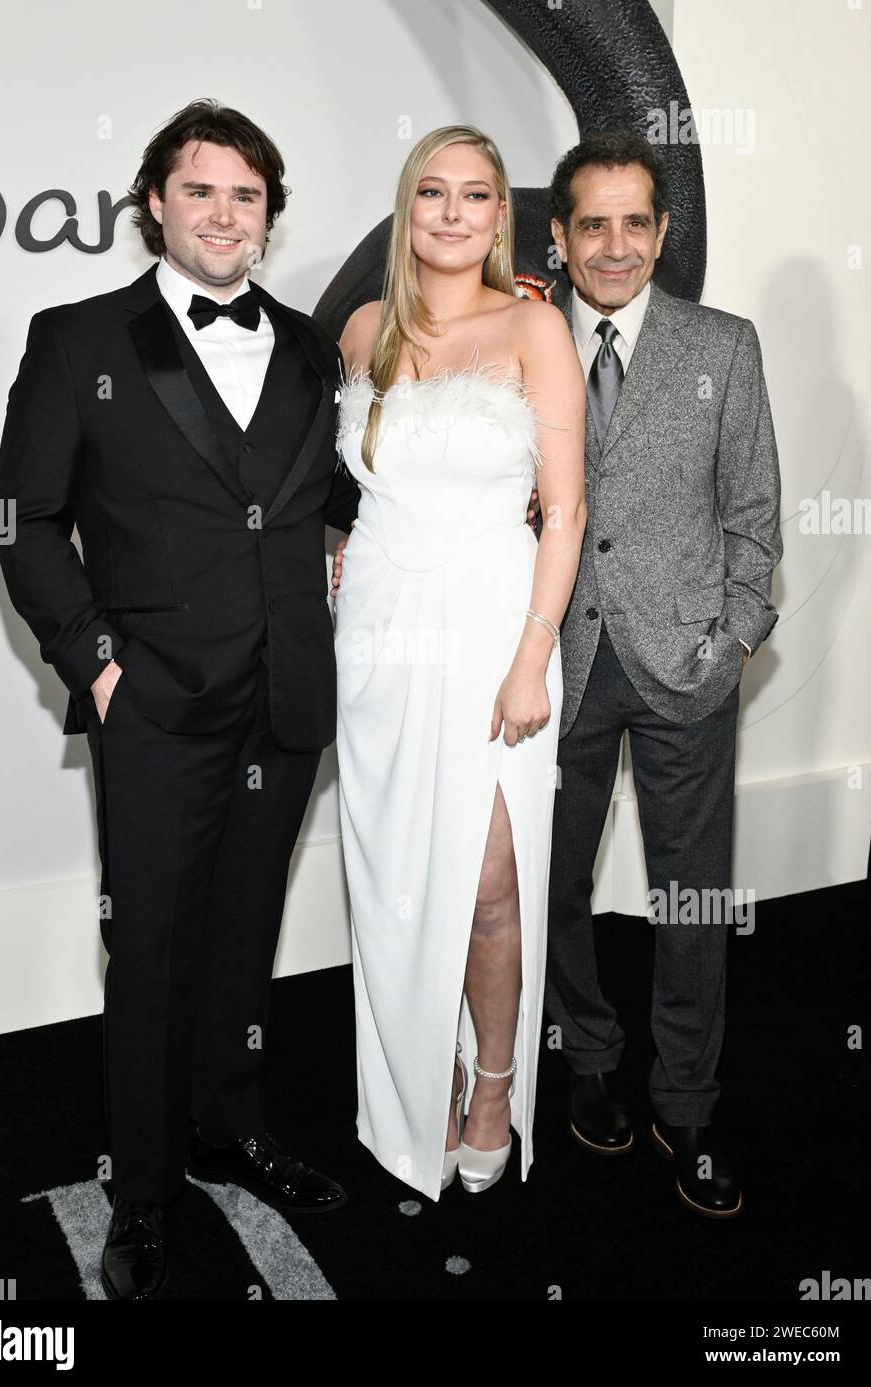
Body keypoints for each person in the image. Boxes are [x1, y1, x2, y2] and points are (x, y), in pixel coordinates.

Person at [0, 99, 360, 1300]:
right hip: (152, 703)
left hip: (286, 696)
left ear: (269, 215)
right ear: (155, 201)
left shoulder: (309, 346)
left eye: (245, 195)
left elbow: (319, 499)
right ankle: (142, 1190)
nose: (222, 213)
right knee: (148, 952)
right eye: (199, 190)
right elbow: (28, 523)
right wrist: (97, 661)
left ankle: (228, 1126)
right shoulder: (77, 337)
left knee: (244, 932)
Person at [332, 125, 586, 1202]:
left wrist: (531, 659)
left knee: (488, 882)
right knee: (395, 880)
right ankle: (410, 1073)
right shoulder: (359, 331)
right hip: (381, 631)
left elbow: (567, 509)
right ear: (407, 207)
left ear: (499, 219)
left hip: (495, 629)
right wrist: (332, 549)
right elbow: (339, 483)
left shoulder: (534, 326)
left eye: (473, 195)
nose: (449, 211)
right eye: (430, 191)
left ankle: (491, 1082)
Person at [544, 130, 783, 1217]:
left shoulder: (722, 346)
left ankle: (685, 1101)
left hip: (683, 666)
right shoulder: (523, 340)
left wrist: (730, 638)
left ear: (661, 232)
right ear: (558, 235)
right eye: (591, 222)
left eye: (634, 222)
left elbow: (754, 521)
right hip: (552, 666)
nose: (614, 244)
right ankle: (586, 1052)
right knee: (551, 886)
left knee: (690, 899)